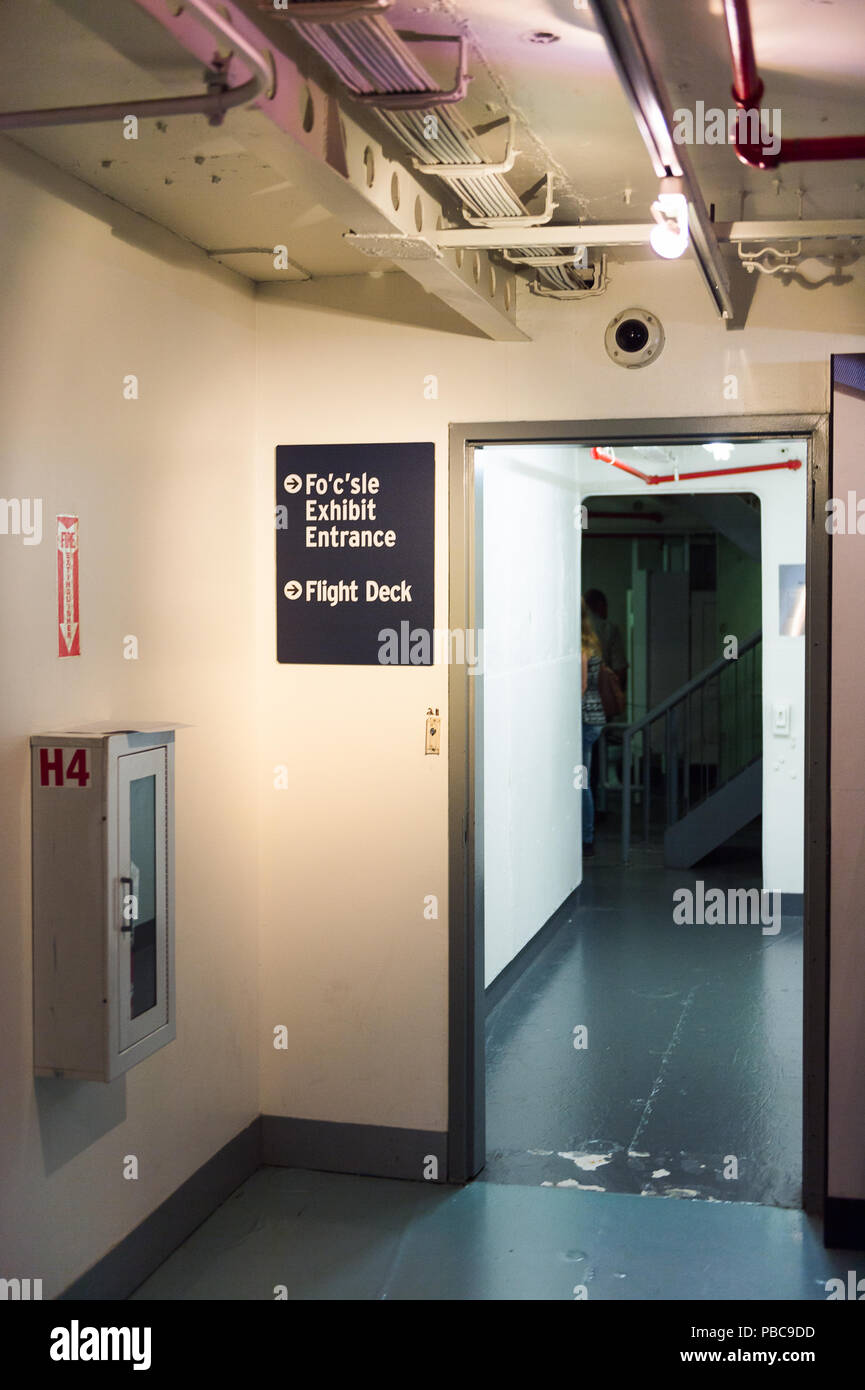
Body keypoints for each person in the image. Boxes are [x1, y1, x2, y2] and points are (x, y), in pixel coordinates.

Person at [581, 596, 607, 858]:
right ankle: (585, 834)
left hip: (584, 718)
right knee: (582, 779)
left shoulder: (580, 647)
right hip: (595, 717)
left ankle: (585, 837)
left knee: (580, 781)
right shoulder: (592, 642)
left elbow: (580, 686)